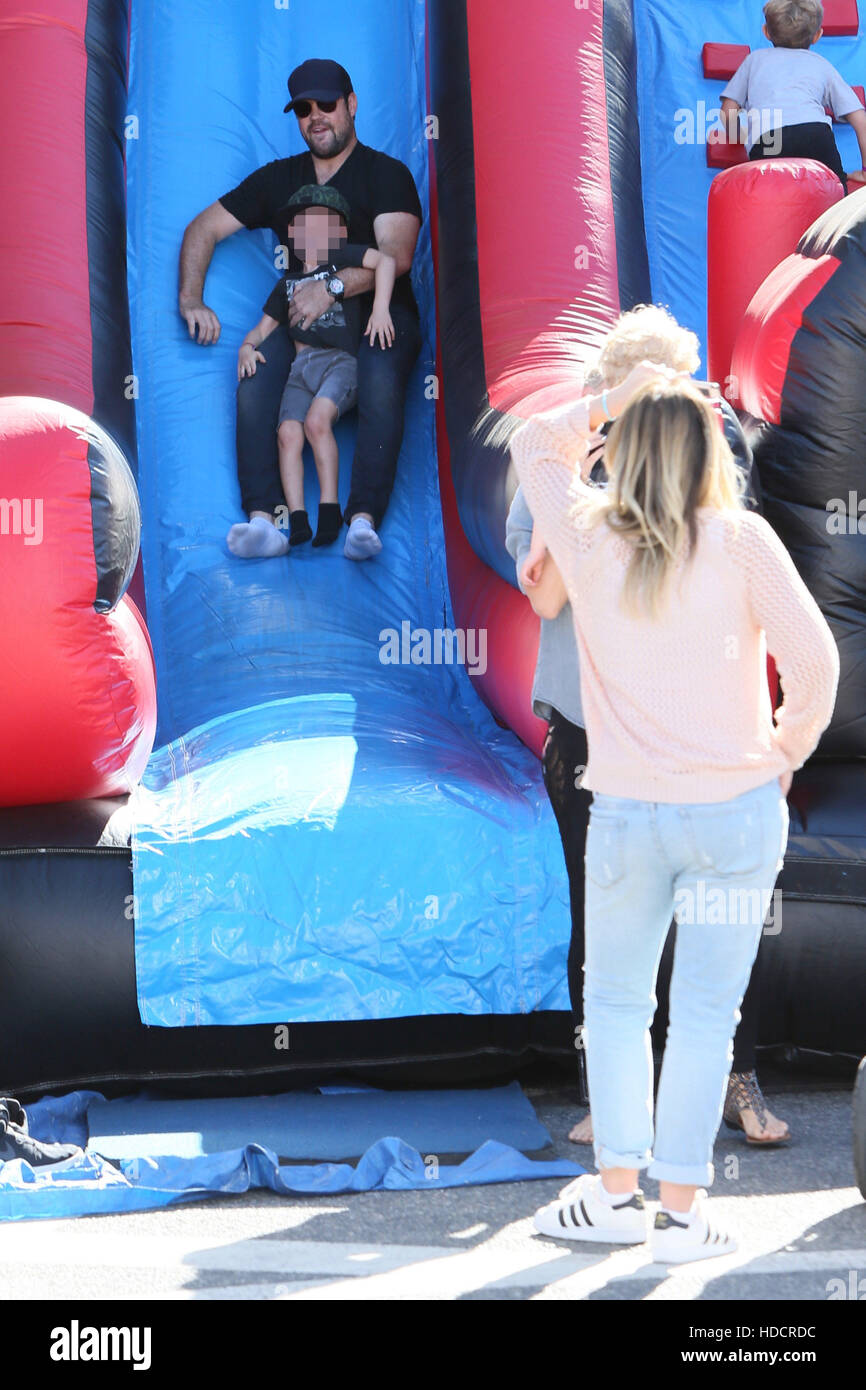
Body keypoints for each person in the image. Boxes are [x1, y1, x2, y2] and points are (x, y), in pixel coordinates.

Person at [511, 366, 838, 1262]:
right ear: (707, 454)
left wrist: (612, 399)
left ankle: (619, 1195)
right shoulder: (744, 541)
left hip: (627, 816)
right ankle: (685, 1215)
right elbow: (818, 667)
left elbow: (533, 441)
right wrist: (782, 752)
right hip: (733, 814)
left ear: (621, 451)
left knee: (616, 1004)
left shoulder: (586, 537)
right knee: (705, 1016)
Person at [507, 305, 787, 1149]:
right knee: (606, 929)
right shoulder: (568, 474)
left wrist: (777, 740)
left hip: (700, 737)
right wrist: (590, 494)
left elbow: (742, 547)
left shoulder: (711, 458)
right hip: (598, 734)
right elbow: (542, 590)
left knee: (722, 928)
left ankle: (732, 1082)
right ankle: (613, 1099)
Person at [179, 58, 423, 561]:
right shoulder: (279, 179)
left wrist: (329, 286)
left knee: (380, 370)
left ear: (351, 106)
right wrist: (191, 300)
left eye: (327, 105)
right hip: (304, 328)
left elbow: (395, 258)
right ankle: (264, 521)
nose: (316, 116)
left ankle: (361, 519)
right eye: (304, 109)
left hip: (376, 315)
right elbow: (201, 229)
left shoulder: (387, 174)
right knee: (254, 370)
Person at [233, 186, 396, 553]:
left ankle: (329, 511)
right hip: (300, 368)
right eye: (303, 227)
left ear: (339, 233)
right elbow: (262, 329)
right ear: (292, 235)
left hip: (339, 362)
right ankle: (297, 521)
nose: (312, 234)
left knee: (316, 423)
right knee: (288, 434)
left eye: (322, 226)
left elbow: (385, 261)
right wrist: (245, 348)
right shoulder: (286, 285)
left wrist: (380, 308)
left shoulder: (339, 261)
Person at [721, 0, 866, 191]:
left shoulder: (754, 60)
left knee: (770, 195)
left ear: (766, 31)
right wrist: (864, 170)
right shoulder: (821, 64)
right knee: (833, 193)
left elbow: (728, 110)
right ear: (817, 35)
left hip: (769, 140)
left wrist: (740, 136)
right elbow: (860, 119)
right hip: (815, 134)